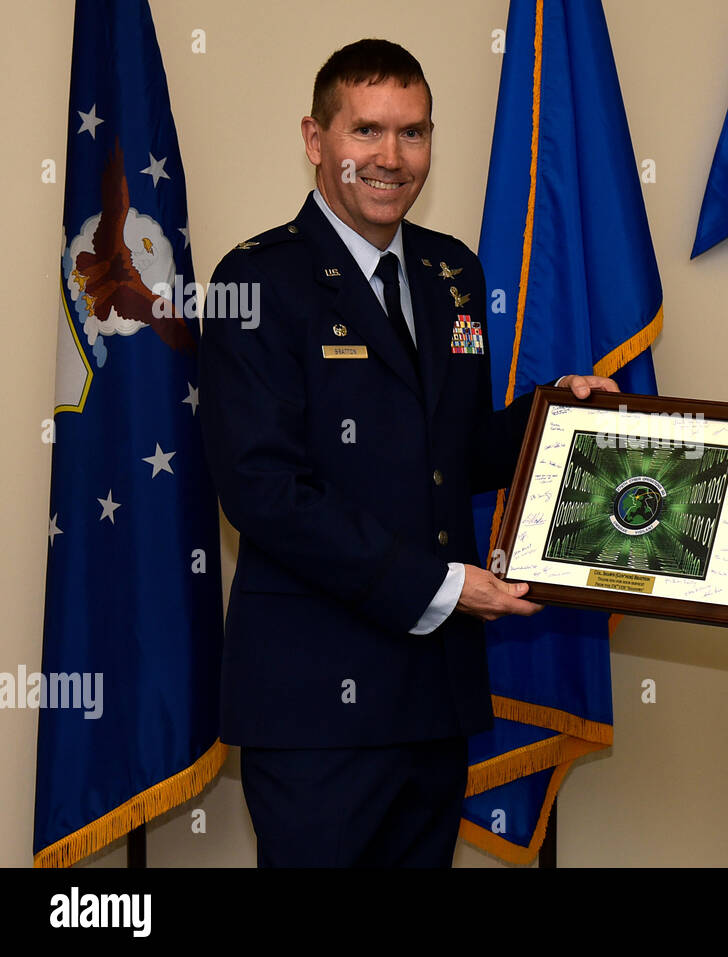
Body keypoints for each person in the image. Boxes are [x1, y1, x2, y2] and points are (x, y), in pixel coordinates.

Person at [198, 38, 615, 867]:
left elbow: (452, 454)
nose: (392, 158)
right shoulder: (258, 281)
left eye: (414, 133)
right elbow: (262, 490)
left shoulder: (450, 271)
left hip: (434, 693)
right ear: (317, 140)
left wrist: (549, 417)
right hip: (317, 705)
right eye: (368, 132)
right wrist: (442, 584)